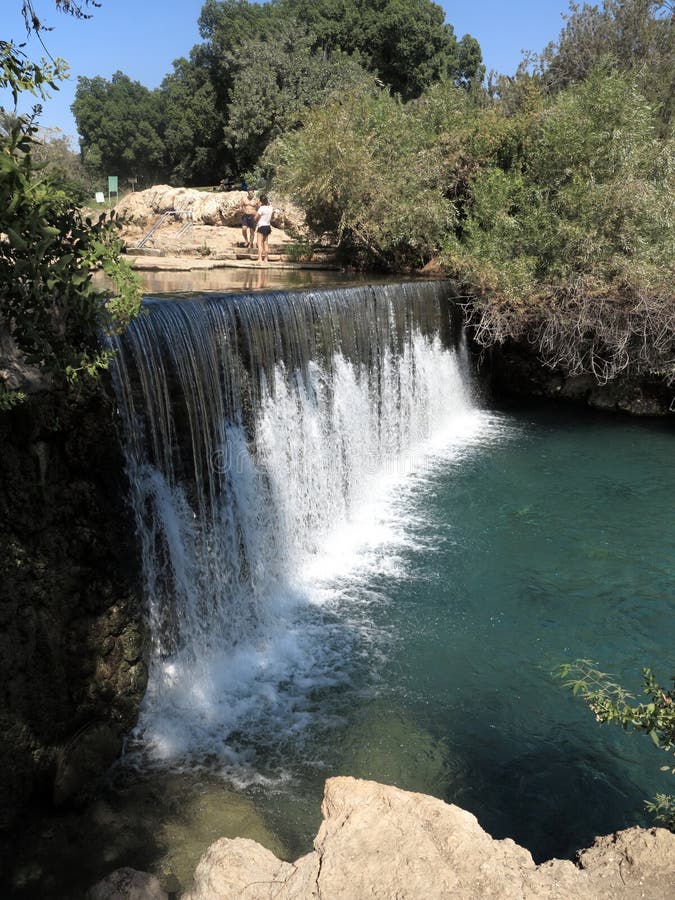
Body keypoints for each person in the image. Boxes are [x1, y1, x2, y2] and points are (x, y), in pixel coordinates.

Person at [254, 195, 273, 264]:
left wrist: (256, 220)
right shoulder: (270, 208)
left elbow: (256, 217)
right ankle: (266, 259)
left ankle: (259, 259)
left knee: (259, 243)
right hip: (268, 226)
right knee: (266, 243)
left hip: (261, 226)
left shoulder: (261, 208)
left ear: (261, 201)